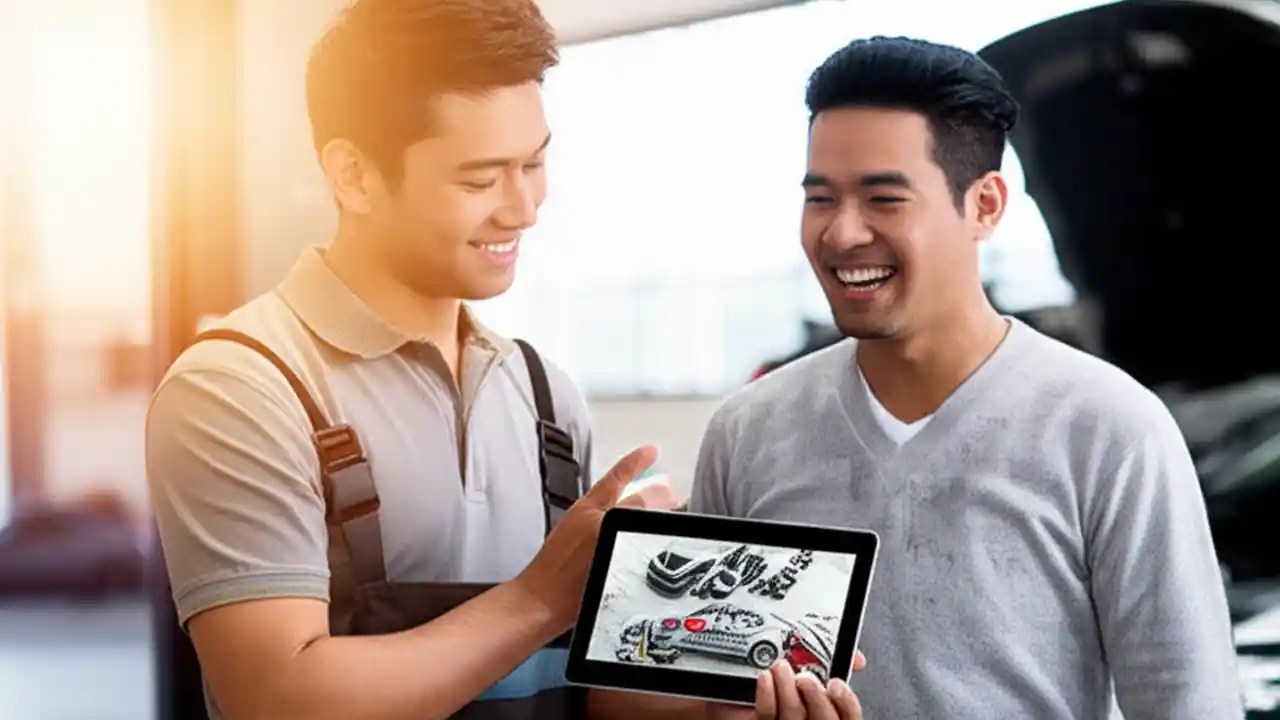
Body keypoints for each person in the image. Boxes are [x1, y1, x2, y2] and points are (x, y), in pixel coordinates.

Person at [680, 35, 1244, 719]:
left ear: (985, 206)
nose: (841, 233)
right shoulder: (747, 432)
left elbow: (1188, 703)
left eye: (883, 200)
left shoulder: (1111, 429)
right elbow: (697, 691)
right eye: (820, 199)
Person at [144, 1, 673, 718]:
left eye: (535, 163)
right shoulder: (239, 389)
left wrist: (717, 700)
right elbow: (275, 698)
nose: (523, 208)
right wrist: (540, 597)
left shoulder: (546, 396)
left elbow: (594, 694)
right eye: (480, 180)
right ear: (354, 176)